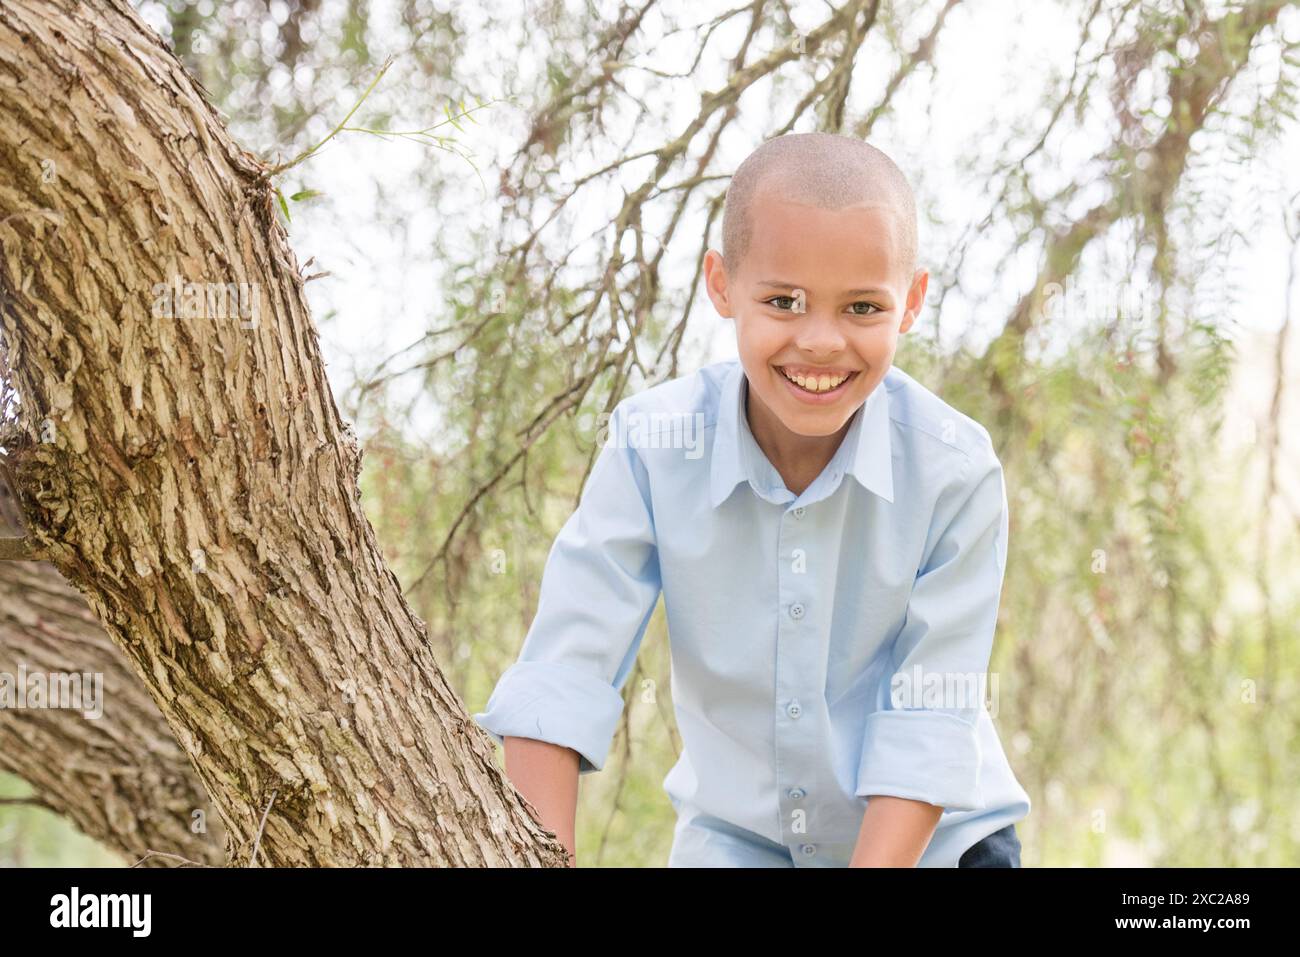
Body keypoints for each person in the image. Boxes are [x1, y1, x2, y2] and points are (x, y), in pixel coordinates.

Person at [474, 131, 1031, 867]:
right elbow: (562, 678)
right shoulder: (651, 446)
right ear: (721, 284)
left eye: (863, 306)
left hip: (937, 845)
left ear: (912, 303)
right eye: (783, 300)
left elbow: (928, 720)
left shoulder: (954, 472)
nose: (821, 340)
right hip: (739, 842)